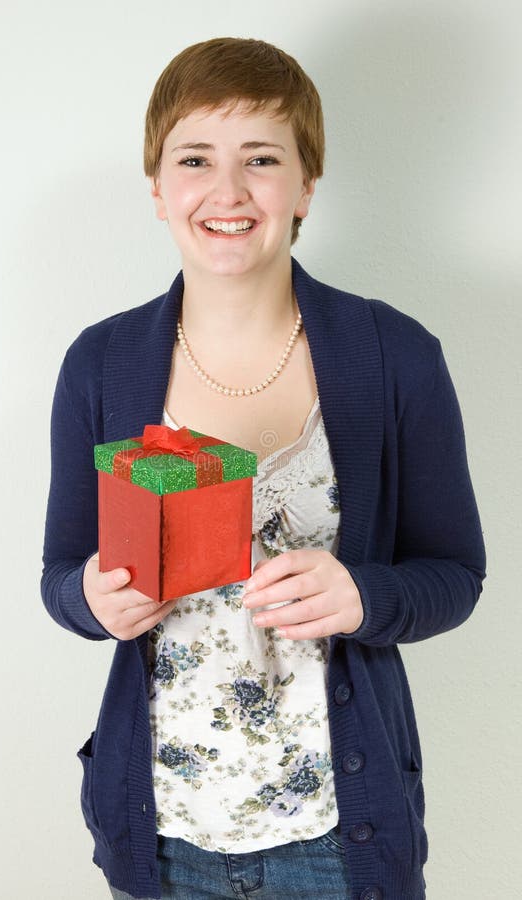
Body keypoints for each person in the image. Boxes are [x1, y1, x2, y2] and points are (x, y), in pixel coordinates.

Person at [41, 37, 486, 900]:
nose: (228, 190)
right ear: (158, 188)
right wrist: (92, 598)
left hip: (340, 833)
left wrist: (366, 596)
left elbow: (456, 574)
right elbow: (62, 573)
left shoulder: (393, 354)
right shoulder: (102, 363)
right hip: (159, 837)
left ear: (307, 184)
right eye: (196, 158)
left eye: (262, 158)